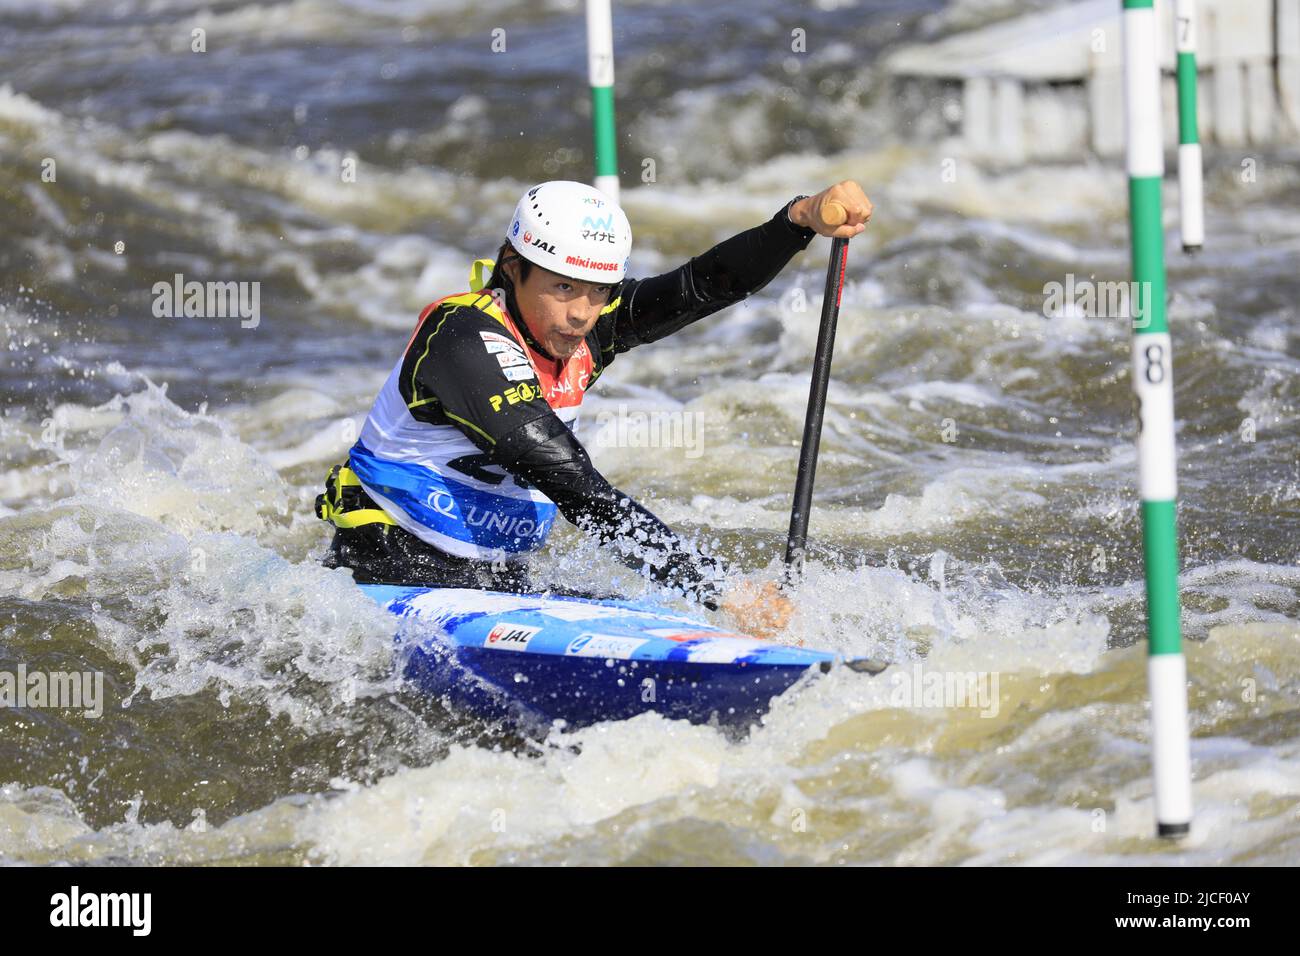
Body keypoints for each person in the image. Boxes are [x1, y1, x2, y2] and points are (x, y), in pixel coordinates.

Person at [316, 179, 872, 637]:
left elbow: (701, 286)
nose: (582, 313)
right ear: (513, 266)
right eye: (563, 287)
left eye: (600, 291)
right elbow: (575, 487)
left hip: (491, 584)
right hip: (389, 573)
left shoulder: (580, 327)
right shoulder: (463, 340)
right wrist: (722, 591)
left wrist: (798, 222)